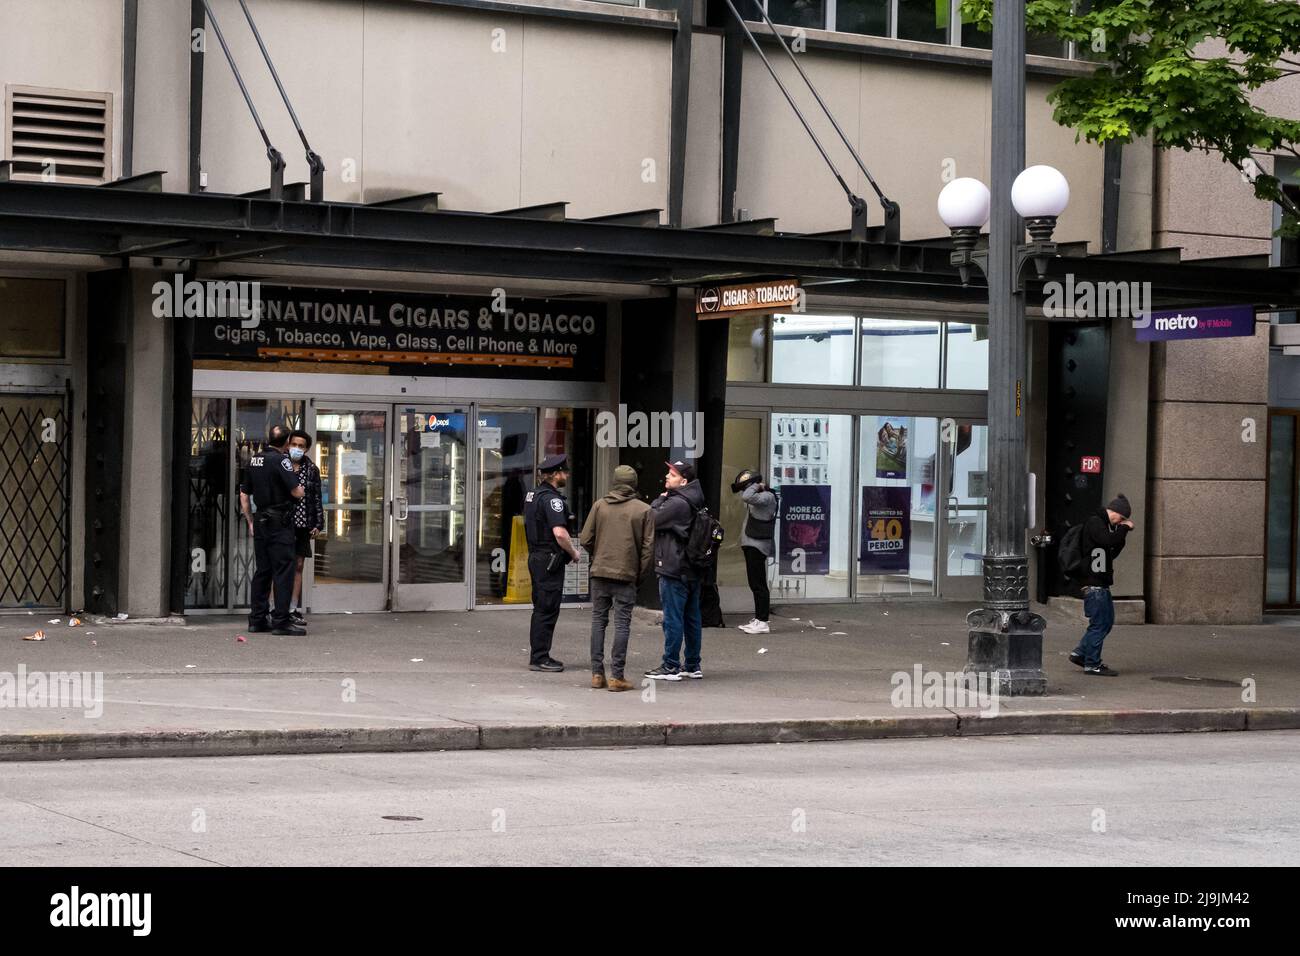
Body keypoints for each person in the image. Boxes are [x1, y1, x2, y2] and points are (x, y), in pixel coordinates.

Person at [580, 464, 654, 692]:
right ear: (634, 484)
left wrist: (599, 554)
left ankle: (596, 674)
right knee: (622, 623)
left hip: (600, 571)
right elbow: (648, 549)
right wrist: (638, 575)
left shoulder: (599, 506)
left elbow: (585, 539)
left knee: (598, 621)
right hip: (626, 573)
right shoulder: (644, 510)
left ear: (614, 482)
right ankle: (616, 677)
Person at [239, 424, 305, 635]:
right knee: (283, 570)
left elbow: (244, 494)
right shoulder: (281, 460)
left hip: (261, 520)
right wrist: (301, 487)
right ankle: (281, 621)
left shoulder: (254, 460)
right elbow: (296, 492)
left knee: (263, 571)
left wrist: (251, 521)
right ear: (286, 442)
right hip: (279, 521)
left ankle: (257, 619)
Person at [645, 459, 706, 681]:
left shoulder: (677, 503)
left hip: (674, 566)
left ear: (684, 481)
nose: (666, 477)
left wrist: (659, 499)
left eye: (672, 475)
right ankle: (692, 664)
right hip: (691, 567)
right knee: (691, 618)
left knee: (673, 618)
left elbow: (650, 519)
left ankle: (671, 665)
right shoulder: (694, 499)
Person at [524, 453, 580, 672]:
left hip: (537, 557)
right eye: (565, 472)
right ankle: (540, 658)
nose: (567, 475)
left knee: (541, 607)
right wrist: (574, 552)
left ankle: (539, 655)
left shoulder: (533, 495)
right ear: (556, 474)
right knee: (547, 609)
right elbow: (560, 533)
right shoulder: (552, 500)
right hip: (548, 559)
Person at [1069, 494, 1135, 677]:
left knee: (1105, 623)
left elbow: (1112, 550)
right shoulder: (1095, 523)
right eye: (1121, 518)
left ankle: (1081, 653)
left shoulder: (1104, 526)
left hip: (1100, 583)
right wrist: (1124, 528)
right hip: (1094, 584)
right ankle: (1092, 663)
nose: (1120, 522)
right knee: (1099, 624)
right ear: (1114, 512)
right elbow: (1108, 541)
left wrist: (1121, 532)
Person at [732, 469, 776, 634]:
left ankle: (763, 622)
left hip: (758, 545)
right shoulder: (761, 497)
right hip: (752, 544)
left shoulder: (767, 496)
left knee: (759, 585)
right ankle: (758, 618)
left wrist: (756, 485)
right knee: (754, 583)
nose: (745, 489)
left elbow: (747, 496)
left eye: (746, 486)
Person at [287, 429, 324, 627]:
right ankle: (275, 607)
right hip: (284, 523)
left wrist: (318, 523)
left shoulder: (311, 469)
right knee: (281, 566)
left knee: (298, 565)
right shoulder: (281, 465)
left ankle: (293, 608)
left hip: (303, 523)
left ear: (307, 449)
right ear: (288, 445)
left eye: (301, 446)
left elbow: (316, 497)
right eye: (294, 444)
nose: (297, 448)